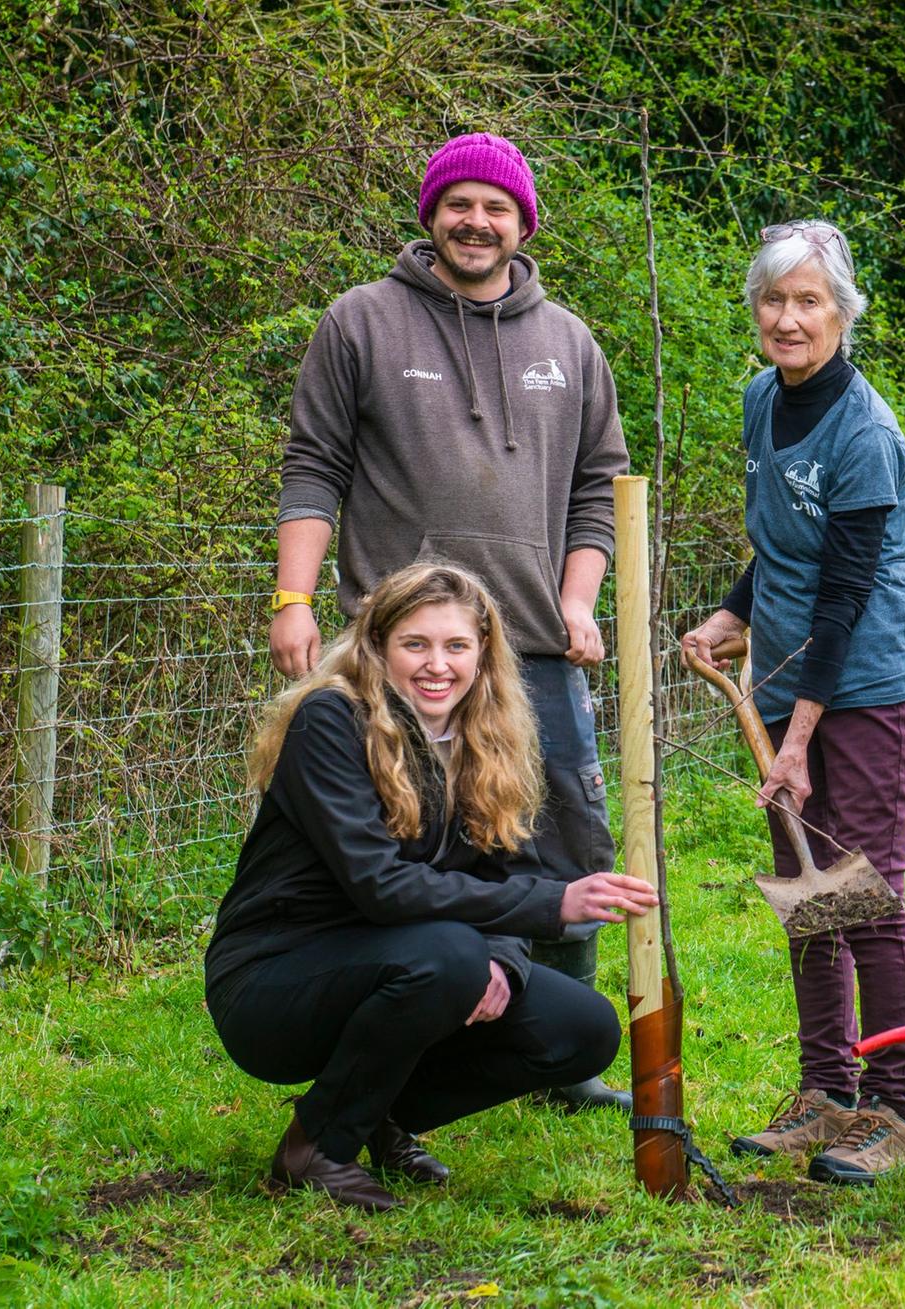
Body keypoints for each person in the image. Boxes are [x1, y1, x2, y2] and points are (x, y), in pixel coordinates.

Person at [268, 132, 633, 1111]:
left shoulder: (571, 343)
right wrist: (292, 600)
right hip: (400, 655)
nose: (476, 221)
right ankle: (415, 1040)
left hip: (535, 652)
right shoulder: (362, 323)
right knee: (409, 851)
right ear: (431, 213)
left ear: (523, 224)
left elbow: (599, 492)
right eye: (458, 203)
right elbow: (312, 469)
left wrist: (576, 602)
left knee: (563, 842)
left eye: (496, 207)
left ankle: (560, 1049)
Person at [207, 563, 661, 1211]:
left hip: (400, 959)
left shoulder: (485, 738)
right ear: (377, 645)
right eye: (414, 644)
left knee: (580, 1027)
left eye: (456, 646)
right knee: (449, 955)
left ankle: (370, 1113)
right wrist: (551, 906)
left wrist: (504, 955)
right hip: (275, 981)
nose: (436, 665)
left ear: (483, 652)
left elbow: (504, 871)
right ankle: (315, 1148)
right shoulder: (331, 722)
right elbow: (381, 887)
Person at [679, 220, 905, 1185]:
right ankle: (825, 1092)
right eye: (774, 301)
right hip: (784, 685)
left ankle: (893, 1112)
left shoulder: (865, 433)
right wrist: (730, 615)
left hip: (861, 691)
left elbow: (846, 591)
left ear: (843, 314)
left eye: (809, 301)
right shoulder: (759, 400)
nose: (789, 318)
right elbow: (782, 552)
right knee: (806, 898)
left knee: (861, 892)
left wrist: (800, 740)